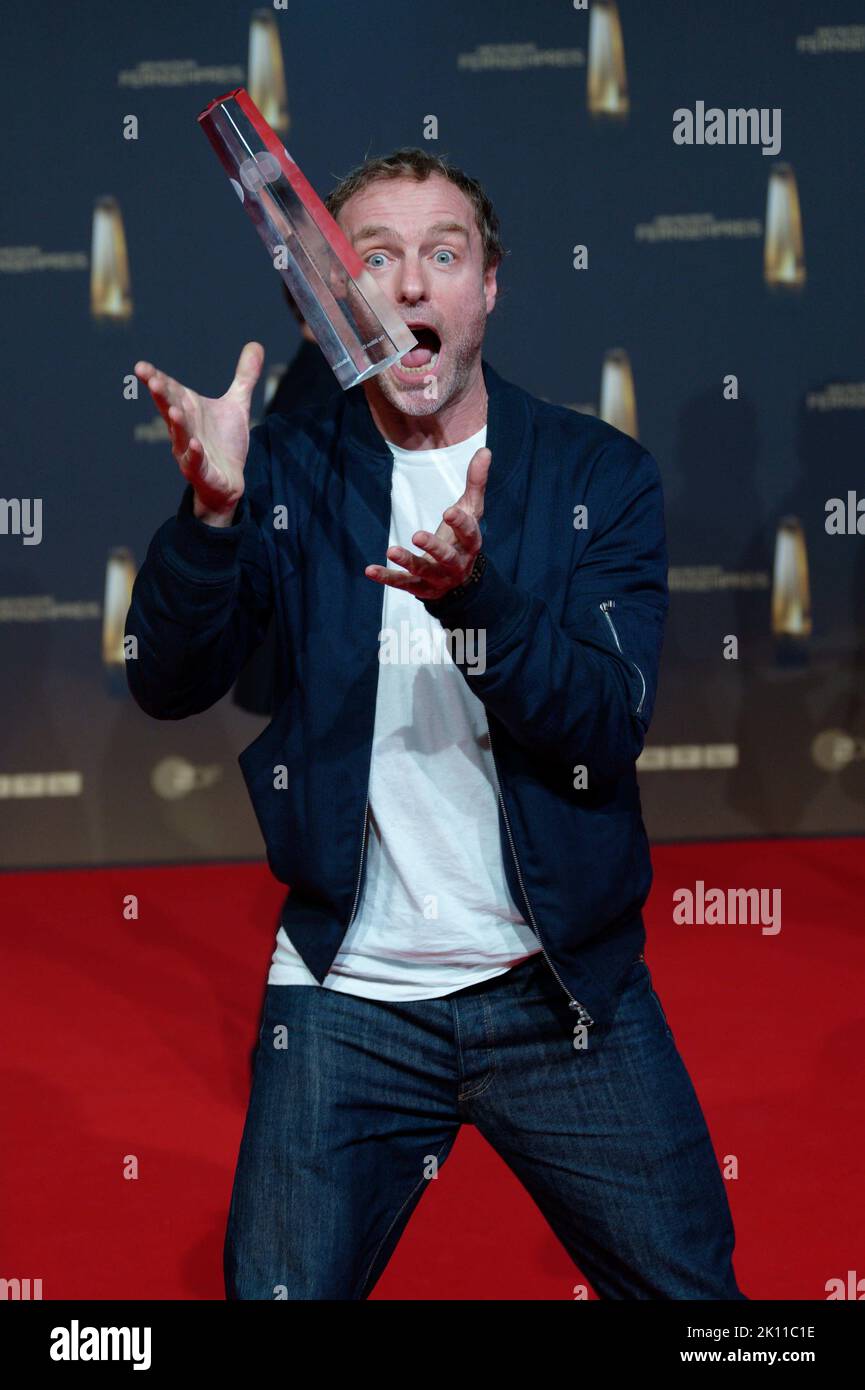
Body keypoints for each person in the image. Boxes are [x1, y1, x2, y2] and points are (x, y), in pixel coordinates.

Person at [127, 147, 747, 1301]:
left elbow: (603, 724)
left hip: (558, 991)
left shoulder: (596, 475)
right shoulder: (285, 472)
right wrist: (209, 520)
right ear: (336, 296)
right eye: (376, 259)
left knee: (699, 1309)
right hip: (344, 995)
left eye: (443, 255)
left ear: (488, 287)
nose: (411, 283)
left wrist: (475, 600)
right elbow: (164, 680)